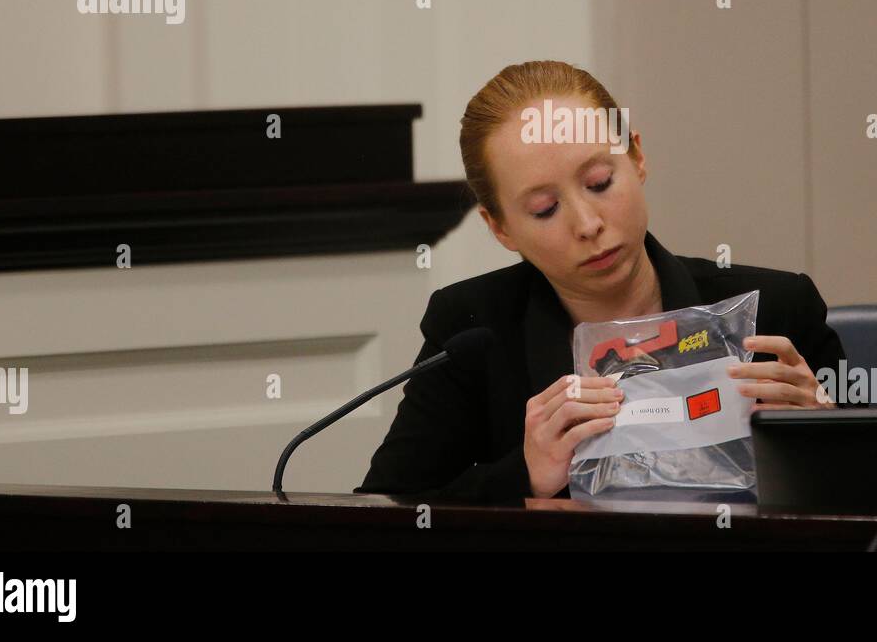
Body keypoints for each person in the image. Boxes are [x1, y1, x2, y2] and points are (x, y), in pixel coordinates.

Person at [356, 60, 849, 503]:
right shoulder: (470, 330)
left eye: (599, 183)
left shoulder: (777, 309)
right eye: (543, 209)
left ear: (636, 159)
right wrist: (524, 476)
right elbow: (385, 512)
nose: (588, 224)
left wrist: (821, 437)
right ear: (500, 227)